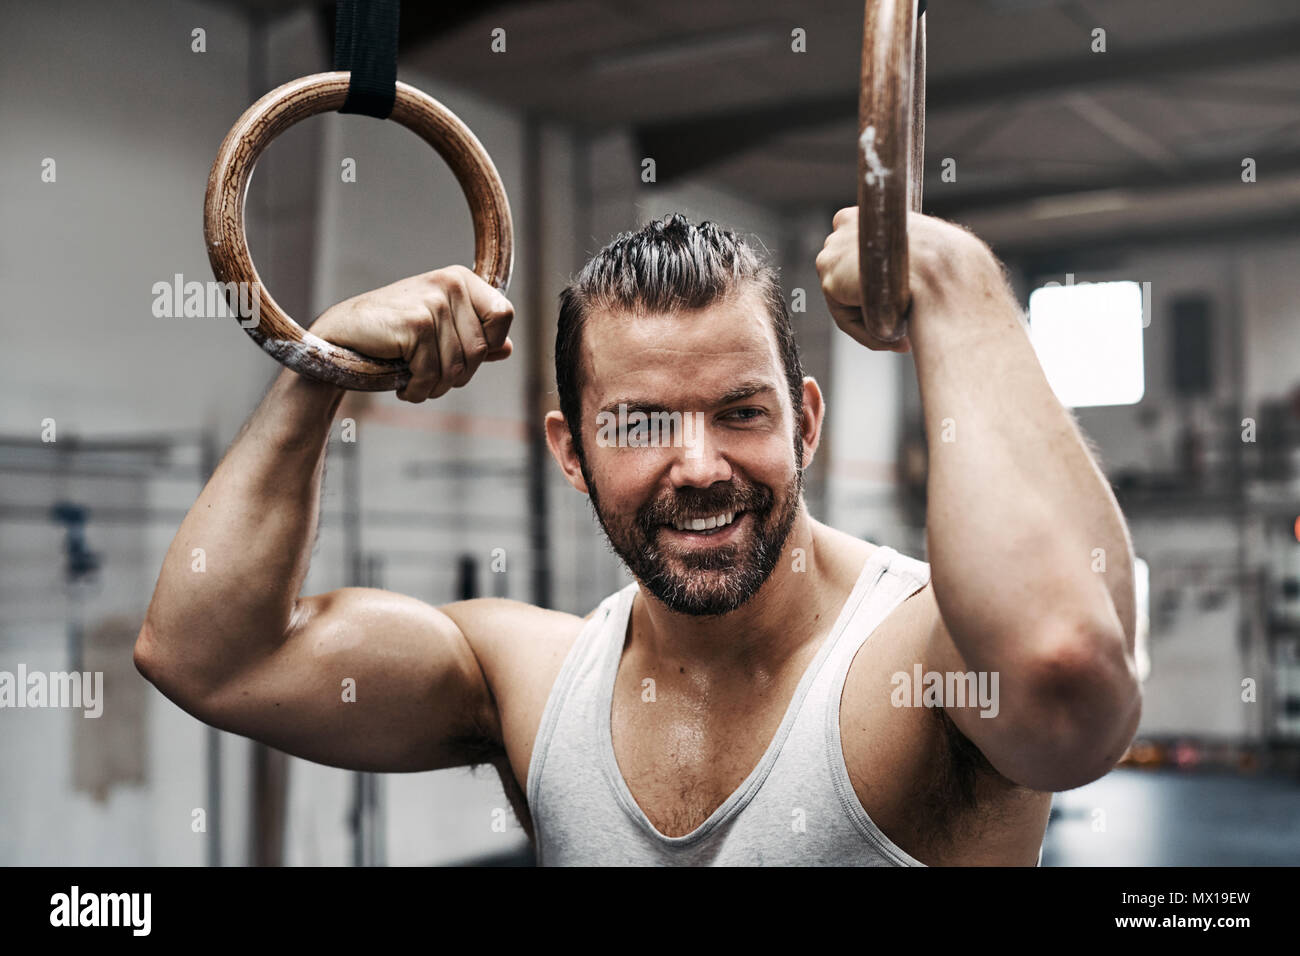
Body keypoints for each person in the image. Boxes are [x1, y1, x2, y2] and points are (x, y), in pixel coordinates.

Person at [134, 209, 1141, 865]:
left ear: (807, 422)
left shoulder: (917, 656)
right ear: (570, 451)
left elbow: (1070, 689)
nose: (698, 465)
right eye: (642, 422)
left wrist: (958, 290)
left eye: (740, 412)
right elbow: (208, 654)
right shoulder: (528, 681)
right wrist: (322, 360)